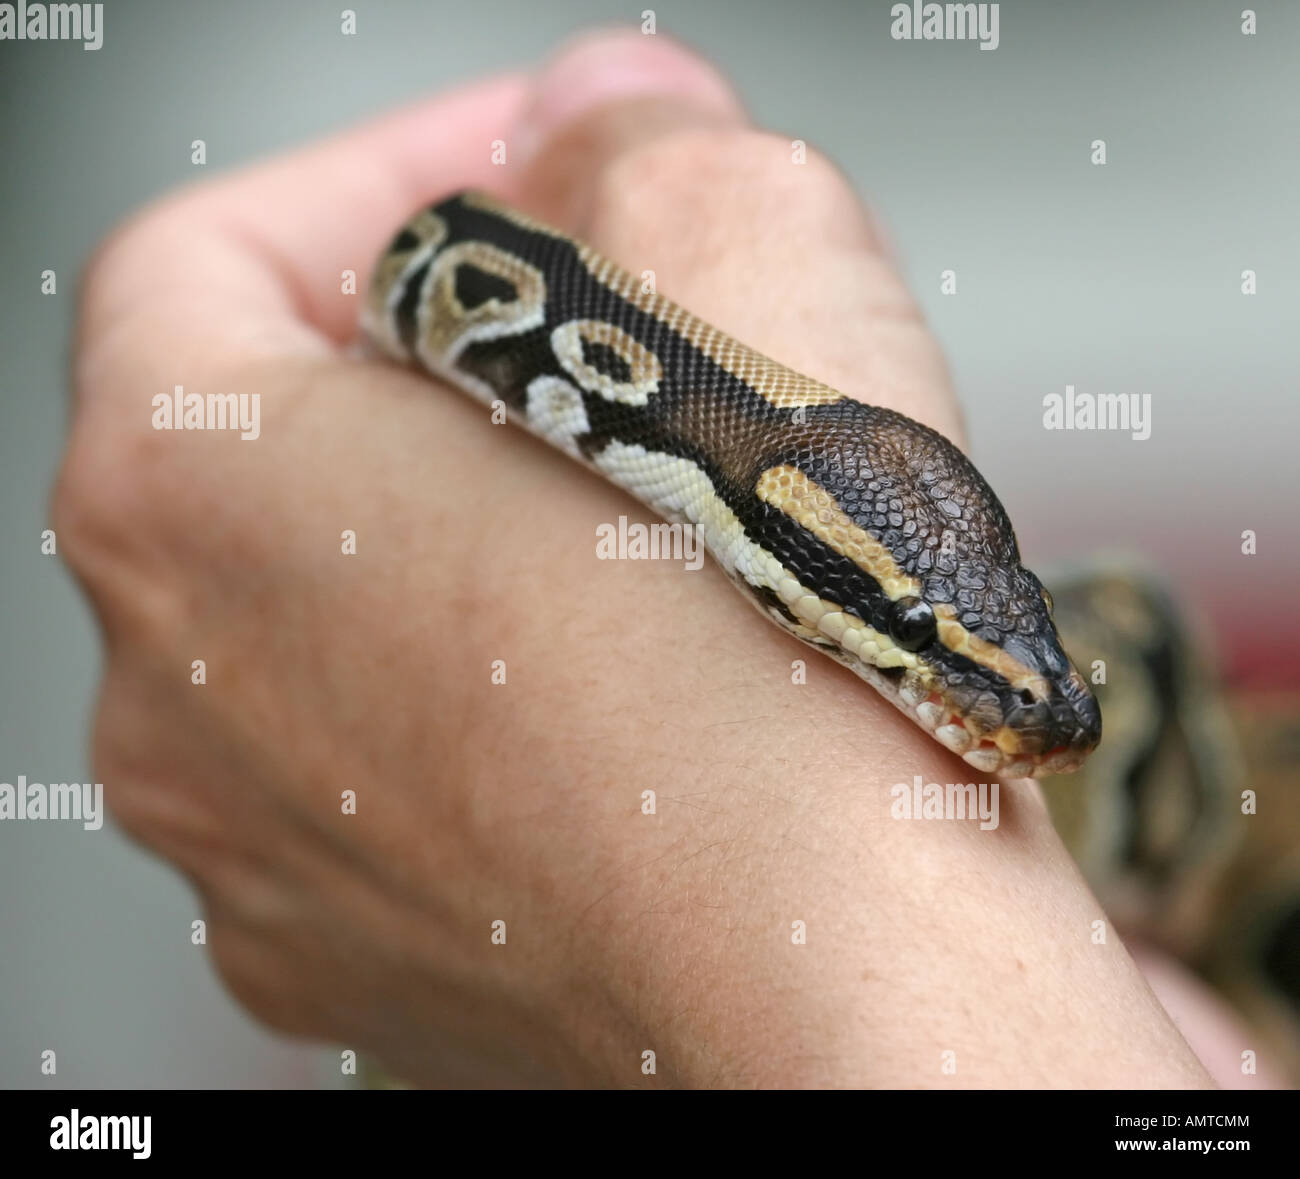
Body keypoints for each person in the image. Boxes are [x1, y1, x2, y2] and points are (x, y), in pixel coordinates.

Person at [53, 28, 1223, 1088]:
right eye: (919, 638)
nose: (1033, 700)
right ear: (776, 540)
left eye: (991, 617)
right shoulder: (718, 466)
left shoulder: (782, 491)